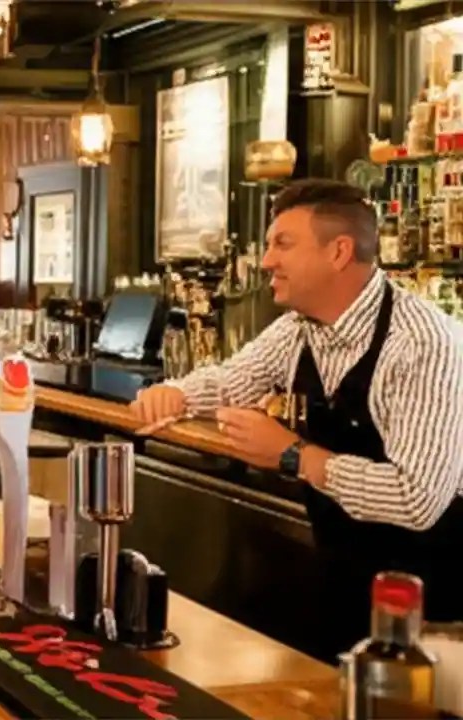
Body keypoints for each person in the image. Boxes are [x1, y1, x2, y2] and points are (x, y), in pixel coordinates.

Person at [131, 179, 463, 657]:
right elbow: (230, 381)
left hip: (435, 603)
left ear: (339, 252)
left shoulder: (422, 344)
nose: (266, 261)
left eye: (282, 244)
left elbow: (417, 500)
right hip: (347, 577)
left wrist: (293, 456)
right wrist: (174, 394)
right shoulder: (298, 330)